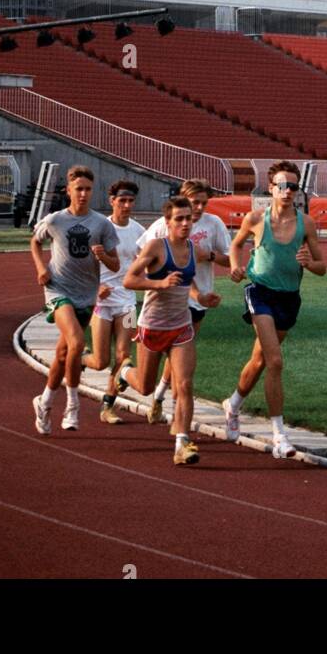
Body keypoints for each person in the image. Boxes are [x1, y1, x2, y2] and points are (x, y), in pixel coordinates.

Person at [224, 160, 326, 458]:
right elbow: (235, 245)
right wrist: (233, 266)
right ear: (271, 189)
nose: (287, 191)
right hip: (260, 292)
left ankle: (232, 405)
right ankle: (280, 436)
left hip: (289, 297)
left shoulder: (306, 223)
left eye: (292, 186)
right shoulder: (256, 219)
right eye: (281, 185)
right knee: (276, 362)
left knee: (259, 361)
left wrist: (310, 263)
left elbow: (323, 268)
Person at [117, 196, 220, 465]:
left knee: (184, 384)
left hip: (180, 326)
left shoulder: (193, 249)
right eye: (180, 219)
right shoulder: (156, 247)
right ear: (168, 222)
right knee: (145, 386)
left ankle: (182, 443)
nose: (186, 223)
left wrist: (203, 298)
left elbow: (190, 285)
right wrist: (160, 284)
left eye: (189, 218)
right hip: (152, 325)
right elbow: (129, 280)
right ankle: (125, 371)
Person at [30, 165, 119, 434]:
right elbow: (35, 242)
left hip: (86, 294)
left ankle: (44, 402)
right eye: (78, 189)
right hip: (58, 290)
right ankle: (72, 406)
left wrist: (102, 255)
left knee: (63, 353)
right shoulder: (55, 220)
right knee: (78, 343)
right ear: (68, 190)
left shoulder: (102, 224)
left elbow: (115, 265)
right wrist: (41, 268)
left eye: (88, 189)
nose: (83, 194)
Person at [137, 179, 230, 423]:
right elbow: (140, 260)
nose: (198, 209)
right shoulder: (160, 228)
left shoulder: (213, 224)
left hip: (197, 300)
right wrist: (159, 280)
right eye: (193, 202)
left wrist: (207, 256)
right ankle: (144, 386)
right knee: (150, 379)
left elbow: (229, 260)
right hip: (161, 307)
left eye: (203, 203)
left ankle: (175, 419)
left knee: (182, 369)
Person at [83, 179, 144, 423]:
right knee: (100, 361)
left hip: (127, 302)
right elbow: (81, 265)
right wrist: (96, 287)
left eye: (130, 201)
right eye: (122, 200)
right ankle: (81, 358)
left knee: (123, 356)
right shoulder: (98, 228)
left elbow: (146, 262)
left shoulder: (139, 232)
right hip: (102, 303)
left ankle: (108, 407)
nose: (127, 205)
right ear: (112, 201)